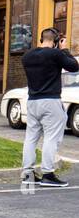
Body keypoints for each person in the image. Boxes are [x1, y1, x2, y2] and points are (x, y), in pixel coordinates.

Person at [20, 28, 74, 188]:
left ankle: (28, 173)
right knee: (52, 137)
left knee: (31, 137)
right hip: (50, 100)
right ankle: (48, 174)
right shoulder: (56, 54)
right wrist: (65, 50)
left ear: (41, 39)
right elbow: (74, 66)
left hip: (32, 101)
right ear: (56, 41)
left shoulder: (27, 56)